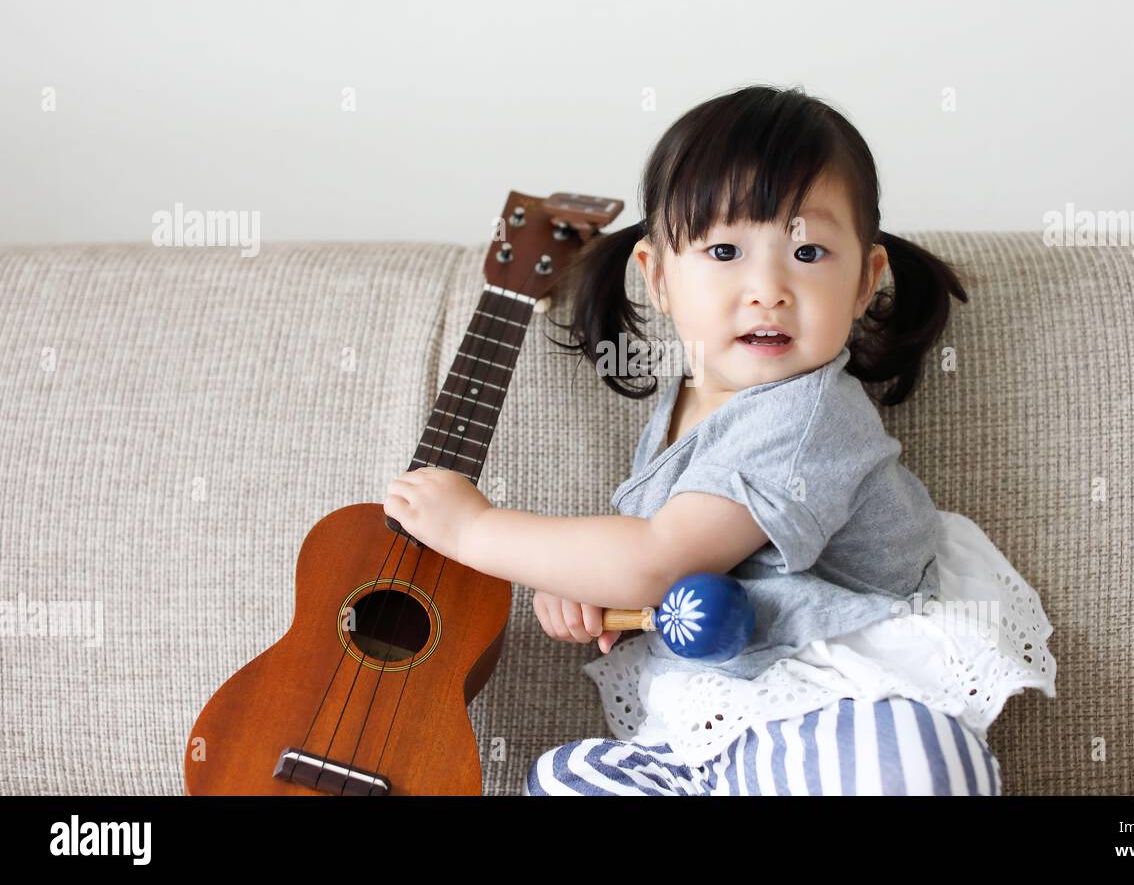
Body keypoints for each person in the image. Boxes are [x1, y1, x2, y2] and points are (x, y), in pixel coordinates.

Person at [384, 84, 1056, 796]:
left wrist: (475, 527)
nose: (767, 288)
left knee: (898, 768)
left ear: (866, 280)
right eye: (726, 249)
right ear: (658, 277)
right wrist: (583, 588)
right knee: (562, 781)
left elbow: (657, 558)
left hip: (838, 696)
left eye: (810, 251)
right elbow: (657, 571)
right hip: (727, 715)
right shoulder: (691, 399)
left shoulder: (805, 418)